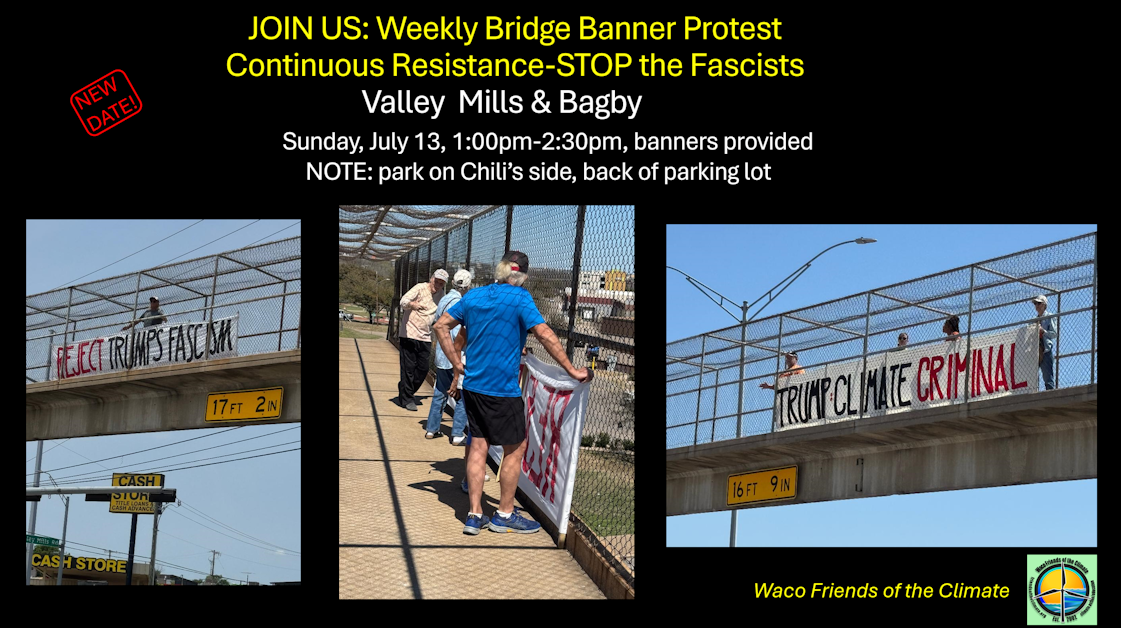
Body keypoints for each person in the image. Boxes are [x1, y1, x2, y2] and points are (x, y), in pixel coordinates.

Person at [433, 250, 592, 535]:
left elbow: (441, 325)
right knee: (515, 449)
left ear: (501, 270)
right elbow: (543, 332)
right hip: (502, 391)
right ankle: (504, 514)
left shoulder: (473, 296)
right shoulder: (520, 297)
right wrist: (572, 370)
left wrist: (457, 364)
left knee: (478, 447)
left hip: (474, 387)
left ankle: (474, 514)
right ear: (522, 276)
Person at [424, 269, 472, 442]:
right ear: (467, 285)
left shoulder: (444, 299)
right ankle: (458, 433)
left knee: (440, 392)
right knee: (461, 394)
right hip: (454, 357)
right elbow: (455, 334)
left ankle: (432, 428)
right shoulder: (460, 303)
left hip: (441, 355)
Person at [391, 269, 447, 412]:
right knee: (408, 368)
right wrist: (412, 305)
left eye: (441, 283)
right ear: (431, 278)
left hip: (426, 336)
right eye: (436, 281)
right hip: (409, 333)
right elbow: (404, 301)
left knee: (423, 369)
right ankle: (407, 398)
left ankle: (405, 389)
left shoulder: (441, 295)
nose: (438, 285)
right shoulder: (420, 288)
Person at [1032, 295, 1057, 390]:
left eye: (1039, 303)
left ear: (1044, 305)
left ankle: (1050, 398)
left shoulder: (1050, 317)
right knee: (1033, 377)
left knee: (1048, 378)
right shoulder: (1034, 321)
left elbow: (1054, 334)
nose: (1036, 306)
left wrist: (1044, 332)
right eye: (1035, 303)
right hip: (1035, 351)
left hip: (1046, 350)